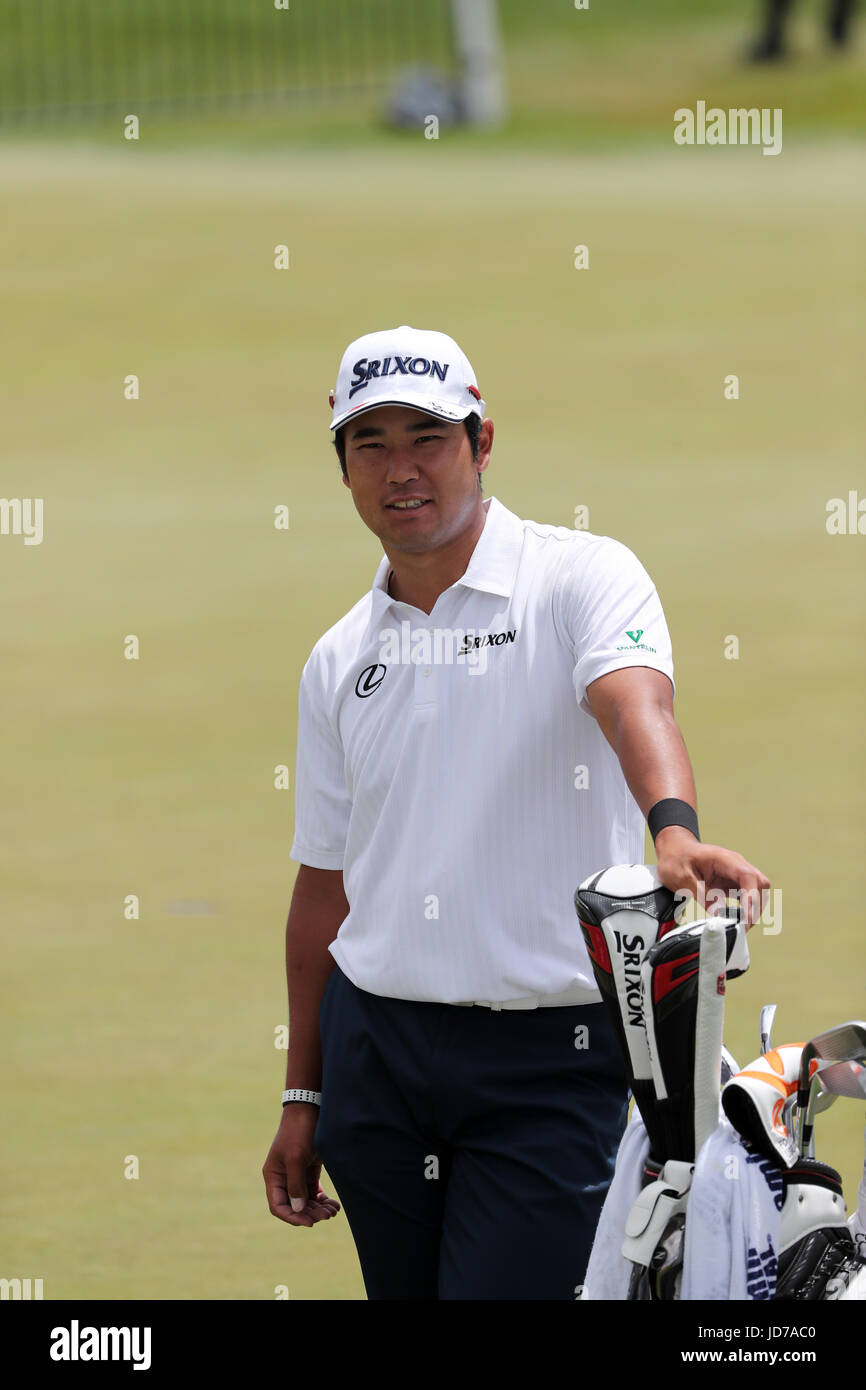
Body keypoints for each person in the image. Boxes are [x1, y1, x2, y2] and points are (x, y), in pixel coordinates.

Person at [262, 325, 770, 1300]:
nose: (400, 469)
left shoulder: (580, 576)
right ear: (341, 468)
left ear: (481, 443)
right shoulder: (337, 657)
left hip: (551, 1056)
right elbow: (324, 885)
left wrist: (670, 826)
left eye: (428, 437)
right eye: (370, 443)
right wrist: (303, 1094)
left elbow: (633, 701)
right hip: (376, 1055)